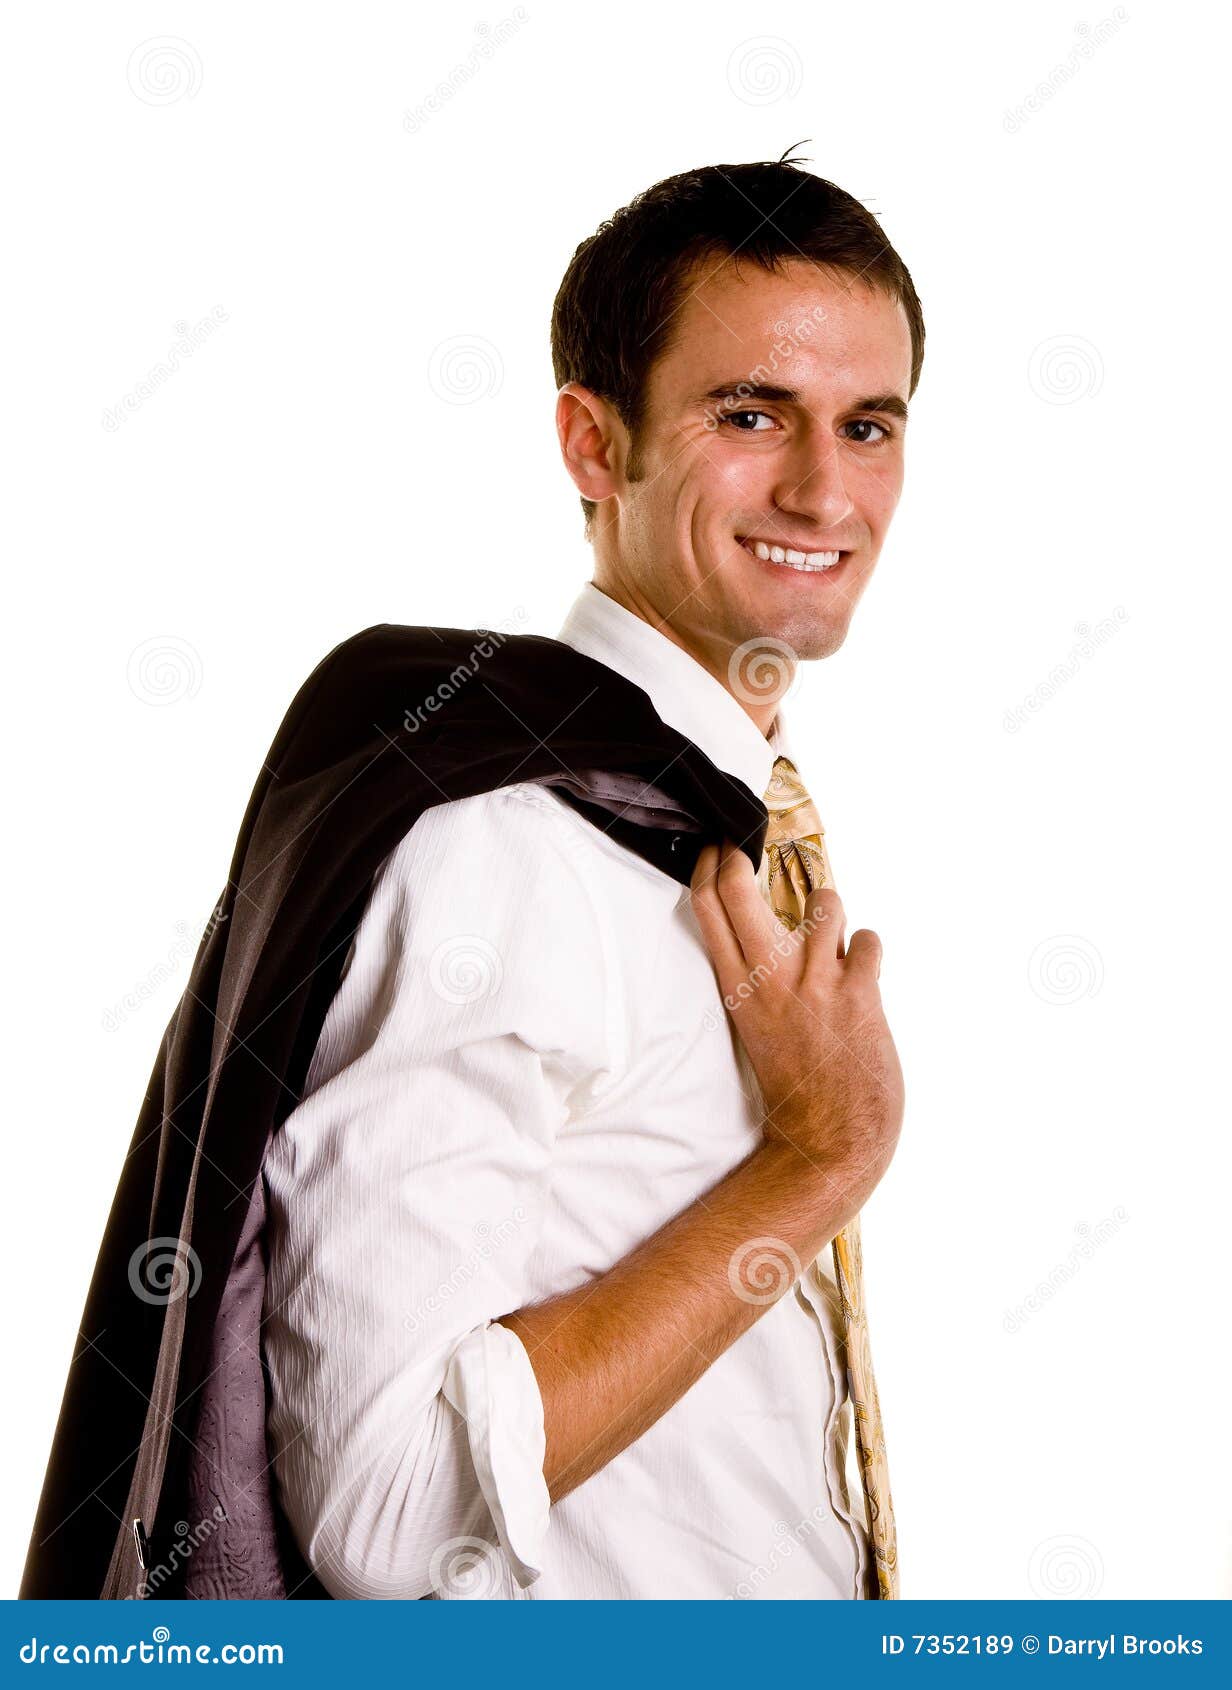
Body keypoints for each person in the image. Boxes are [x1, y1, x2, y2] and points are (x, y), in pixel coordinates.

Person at [260, 149, 922, 1600]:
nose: (824, 488)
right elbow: (388, 1510)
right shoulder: (505, 837)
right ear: (592, 443)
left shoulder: (728, 820)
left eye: (868, 424)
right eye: (751, 414)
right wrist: (814, 1164)